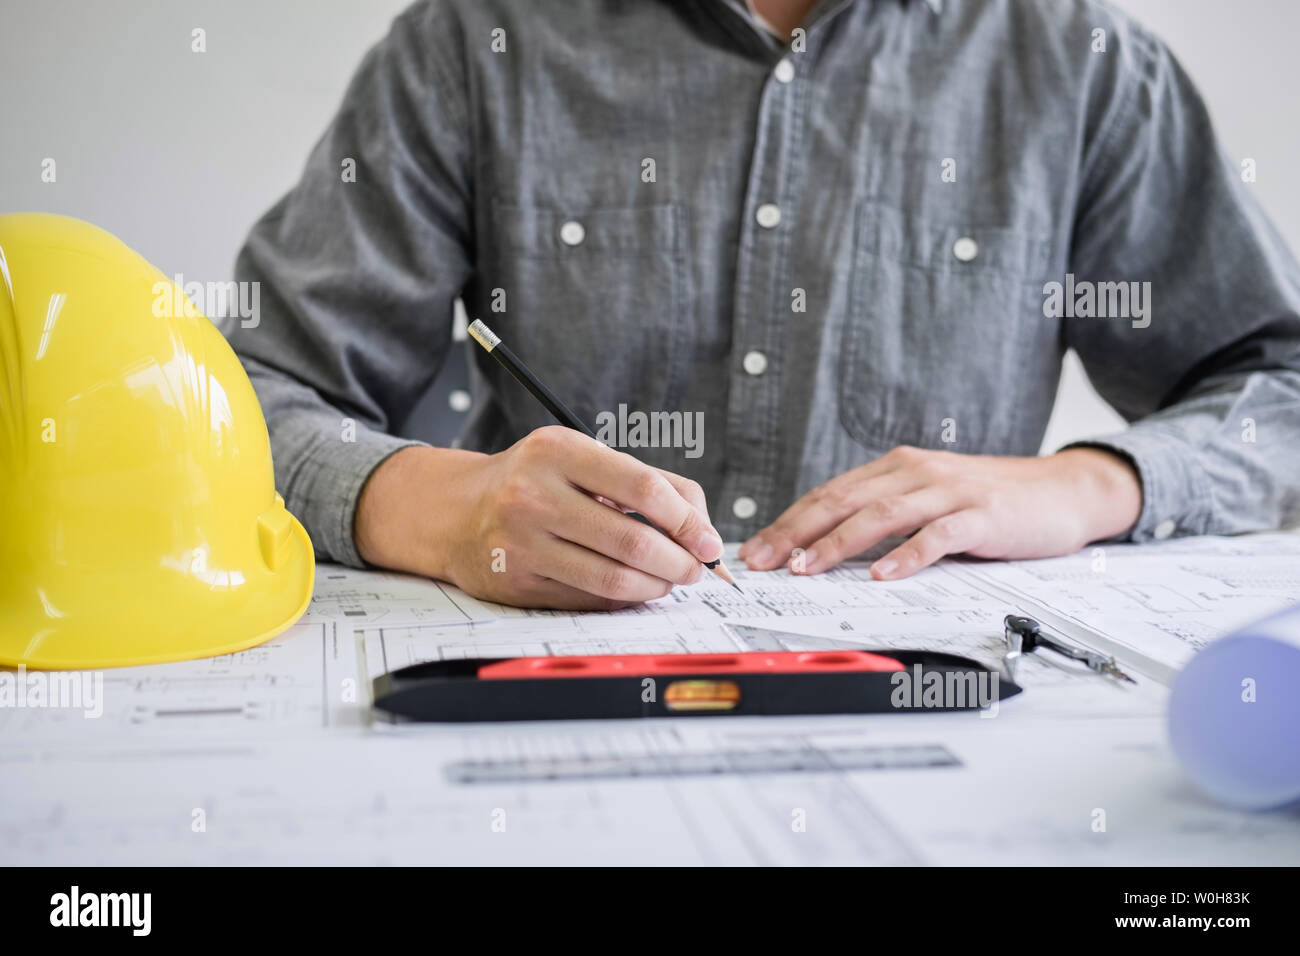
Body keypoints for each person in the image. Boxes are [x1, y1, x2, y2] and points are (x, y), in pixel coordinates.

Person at [225, 0, 1300, 609]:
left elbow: (1280, 388)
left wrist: (1083, 485)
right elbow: (241, 398)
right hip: (547, 687)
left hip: (940, 720)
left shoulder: (1081, 66)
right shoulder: (474, 41)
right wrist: (444, 506)